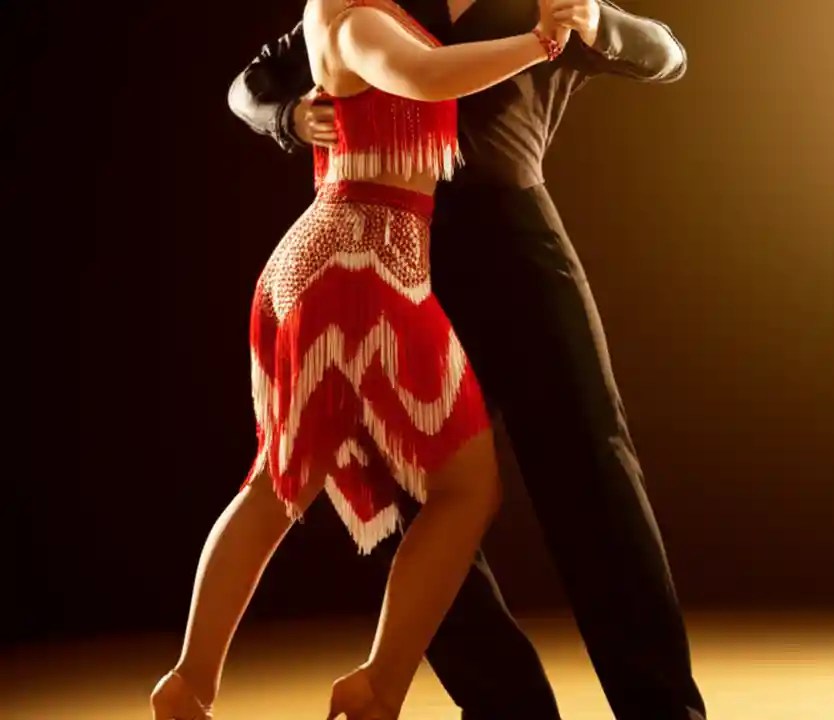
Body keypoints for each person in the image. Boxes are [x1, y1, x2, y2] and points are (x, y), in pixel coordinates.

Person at [228, 1, 706, 719]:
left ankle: (662, 709)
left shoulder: (546, 2)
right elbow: (251, 86)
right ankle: (507, 707)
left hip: (518, 246)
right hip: (395, 261)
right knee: (403, 498)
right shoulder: (375, 2)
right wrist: (290, 118)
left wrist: (597, 21)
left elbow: (667, 55)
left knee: (595, 474)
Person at [150, 1, 575, 718]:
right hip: (361, 263)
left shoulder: (358, 12)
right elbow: (426, 75)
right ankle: (372, 686)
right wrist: (538, 44)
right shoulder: (354, 20)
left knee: (280, 484)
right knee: (461, 487)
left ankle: (196, 683)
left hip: (345, 256)